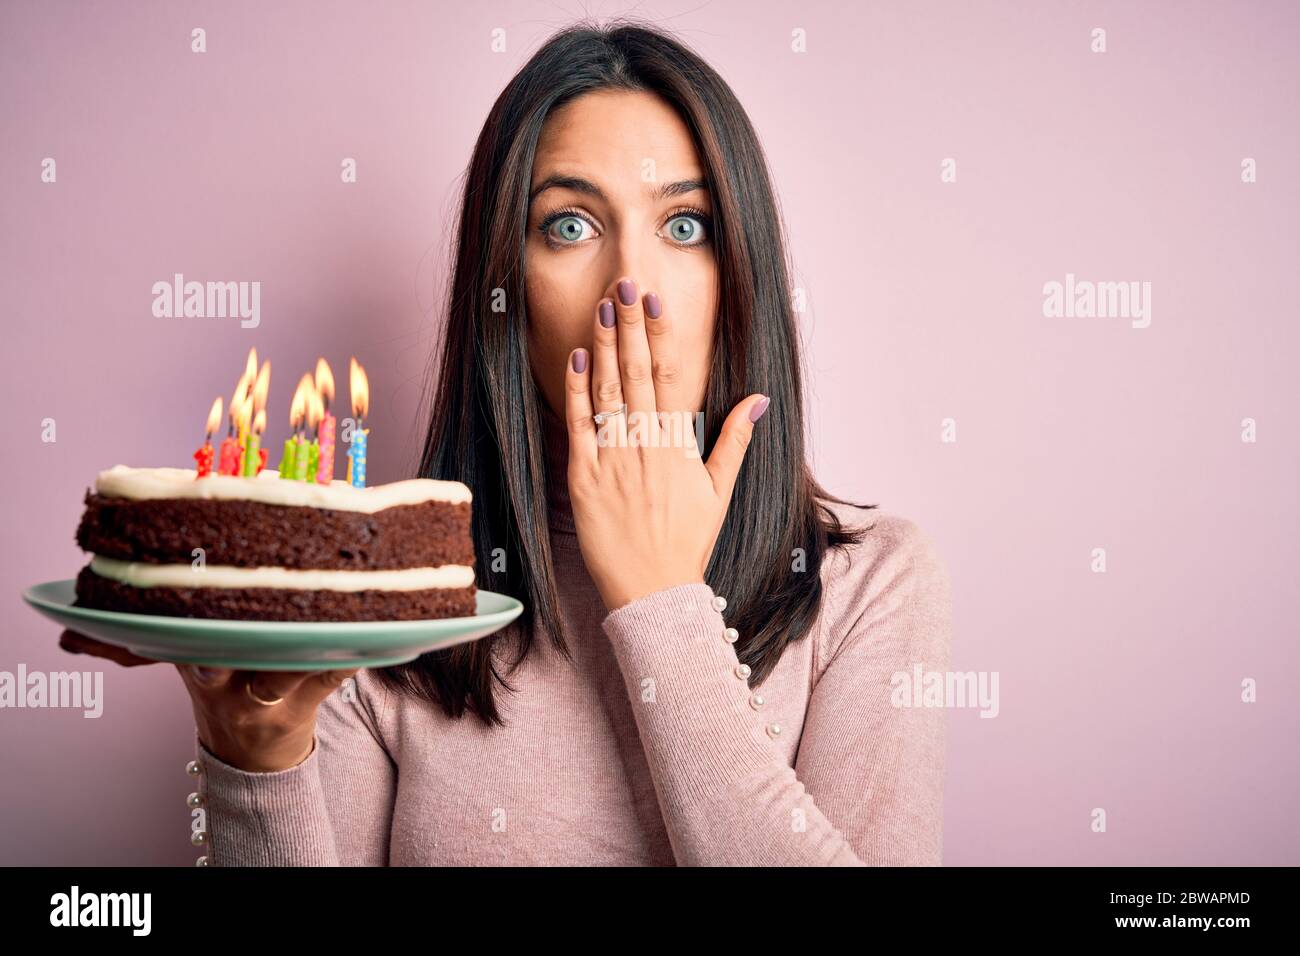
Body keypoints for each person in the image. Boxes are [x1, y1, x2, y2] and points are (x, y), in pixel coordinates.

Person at [61, 19, 952, 866]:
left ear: (739, 278)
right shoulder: (388, 607)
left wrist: (663, 601)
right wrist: (252, 759)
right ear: (504, 291)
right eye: (569, 225)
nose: (631, 286)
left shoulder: (870, 585)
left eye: (686, 227)